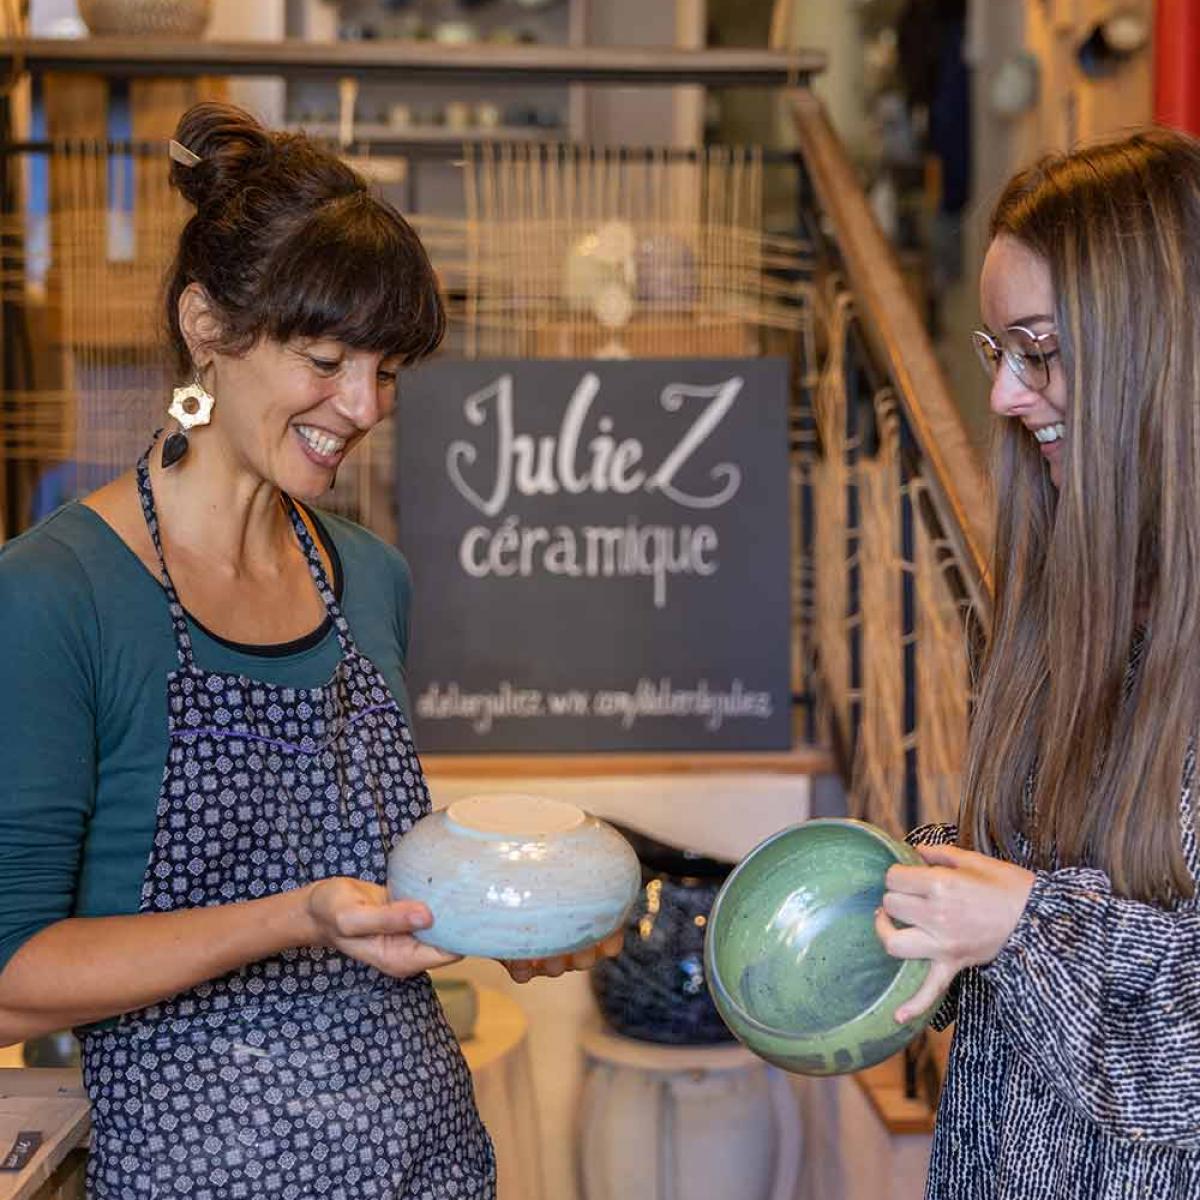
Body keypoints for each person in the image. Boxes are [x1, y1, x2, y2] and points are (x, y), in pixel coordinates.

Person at [0, 102, 616, 1198]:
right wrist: (295, 921)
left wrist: (511, 919)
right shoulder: (56, 597)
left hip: (432, 1158)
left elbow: (375, 892)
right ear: (206, 323)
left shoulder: (368, 581)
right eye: (326, 359)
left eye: (388, 372)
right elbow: (11, 978)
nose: (363, 406)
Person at [874, 126, 1200, 1198]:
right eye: (998, 352)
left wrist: (1021, 924)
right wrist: (939, 886)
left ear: (1155, 344)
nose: (1008, 397)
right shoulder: (1079, 588)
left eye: (1043, 350)